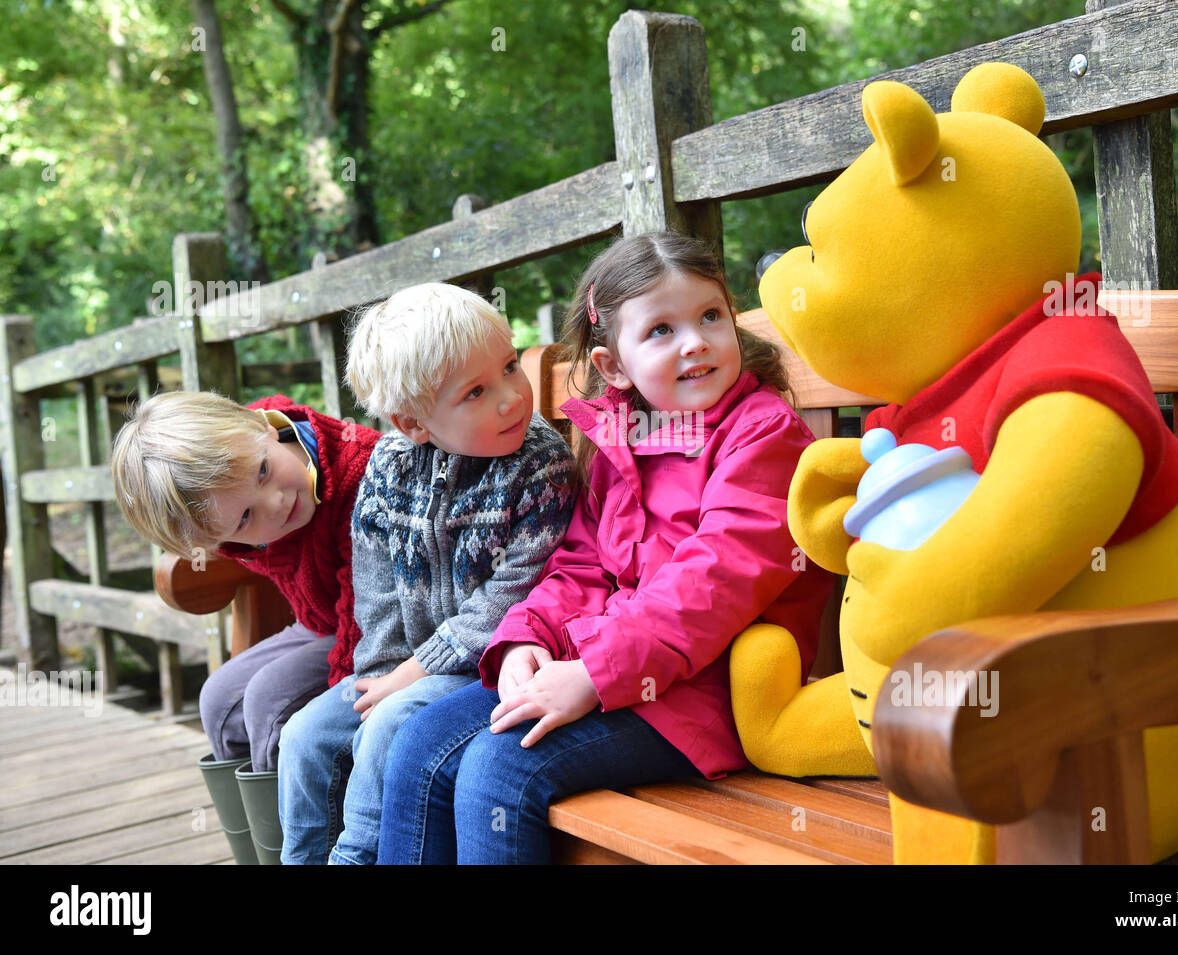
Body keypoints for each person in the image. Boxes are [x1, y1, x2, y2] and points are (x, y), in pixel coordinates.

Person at [375, 232, 836, 864]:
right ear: (613, 366)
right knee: (420, 740)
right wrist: (526, 639)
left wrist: (594, 674)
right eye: (661, 330)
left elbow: (711, 586)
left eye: (710, 317)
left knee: (500, 772)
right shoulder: (624, 437)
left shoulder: (762, 437)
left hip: (713, 695)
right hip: (616, 670)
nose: (695, 341)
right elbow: (580, 563)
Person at [276, 282, 577, 864]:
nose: (513, 398)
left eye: (512, 366)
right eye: (476, 392)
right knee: (305, 736)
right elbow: (378, 596)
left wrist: (407, 680)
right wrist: (381, 677)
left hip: (488, 669)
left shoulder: (541, 466)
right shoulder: (390, 466)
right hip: (403, 669)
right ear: (413, 423)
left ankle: (356, 855)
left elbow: (511, 600)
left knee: (390, 725)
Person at [111, 388, 380, 863]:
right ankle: (258, 853)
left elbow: (366, 621)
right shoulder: (231, 472)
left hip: (375, 628)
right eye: (245, 518)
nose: (275, 502)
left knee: (270, 700)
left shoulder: (359, 475)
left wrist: (338, 709)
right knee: (218, 699)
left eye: (263, 471)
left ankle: (310, 845)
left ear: (264, 427)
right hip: (321, 622)